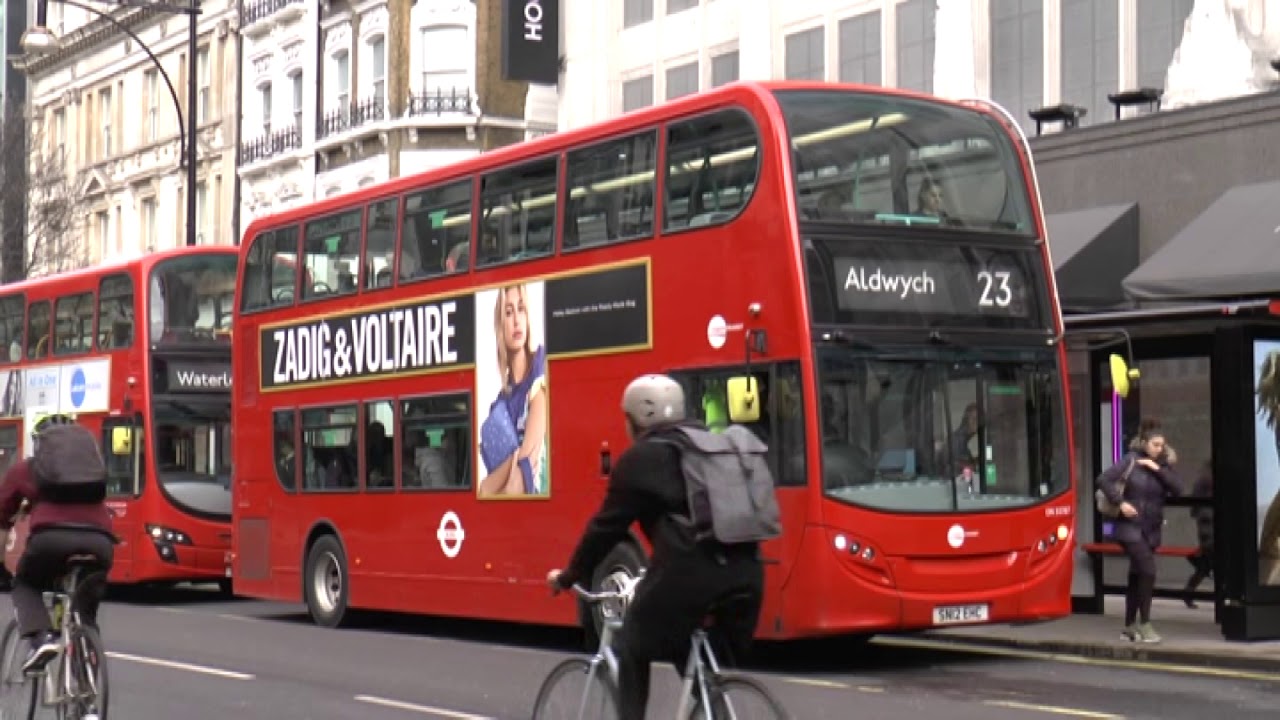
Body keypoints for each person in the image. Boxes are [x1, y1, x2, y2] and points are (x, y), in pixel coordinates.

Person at [545, 374, 765, 720]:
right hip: (748, 572)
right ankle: (715, 708)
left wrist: (570, 575)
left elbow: (605, 529)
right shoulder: (711, 444)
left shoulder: (640, 459)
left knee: (631, 643)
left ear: (636, 420)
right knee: (677, 635)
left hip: (692, 574)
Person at [0, 414, 115, 675]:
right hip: (99, 541)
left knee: (26, 584)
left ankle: (41, 639)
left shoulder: (25, 470)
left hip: (50, 541)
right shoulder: (92, 470)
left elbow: (2, 521)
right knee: (85, 614)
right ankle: (88, 698)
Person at [1097, 427, 1181, 643]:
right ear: (1144, 443)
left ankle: (1128, 627)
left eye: (1162, 445)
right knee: (1148, 570)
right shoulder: (1130, 460)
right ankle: (1144, 623)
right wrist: (1121, 503)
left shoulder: (1162, 465)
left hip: (1151, 529)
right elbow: (1103, 479)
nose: (1159, 449)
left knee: (1137, 576)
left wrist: (1157, 469)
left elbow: (1178, 489)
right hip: (1129, 527)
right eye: (1155, 444)